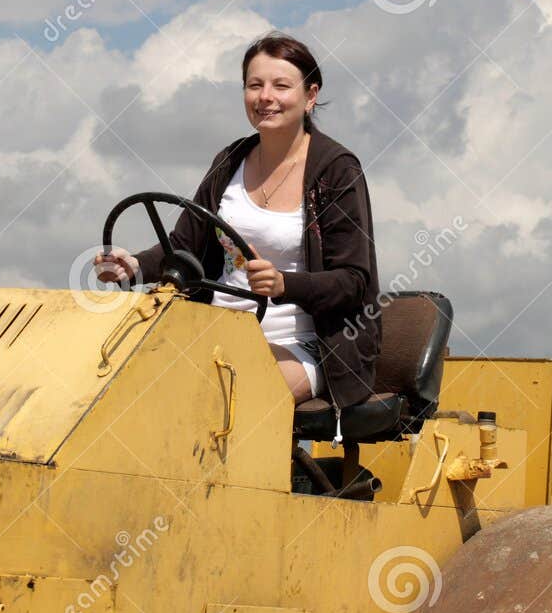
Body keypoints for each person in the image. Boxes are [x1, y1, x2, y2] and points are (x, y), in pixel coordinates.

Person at [95, 33, 381, 410]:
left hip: (308, 342)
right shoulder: (229, 161)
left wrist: (284, 284)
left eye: (281, 85)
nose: (266, 97)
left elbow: (353, 282)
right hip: (217, 330)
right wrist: (132, 265)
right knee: (123, 380)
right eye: (254, 85)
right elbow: (184, 247)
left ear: (310, 96)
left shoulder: (337, 171)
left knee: (231, 398)